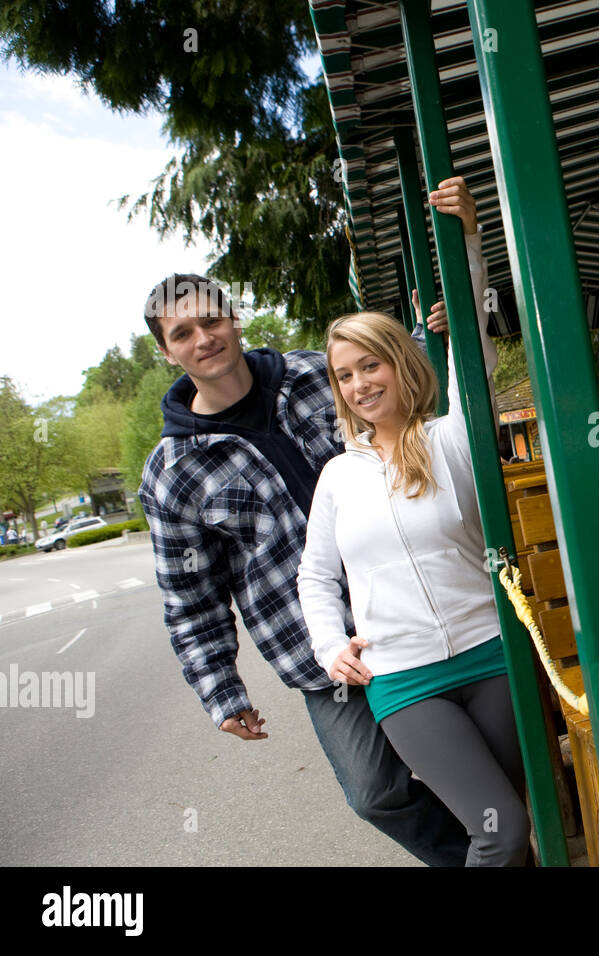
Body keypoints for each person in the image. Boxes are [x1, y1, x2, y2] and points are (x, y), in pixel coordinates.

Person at [137, 177, 482, 867]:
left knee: (485, 752)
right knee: (374, 792)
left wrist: (434, 335)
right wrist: (220, 689)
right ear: (167, 351)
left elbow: (394, 391)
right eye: (183, 333)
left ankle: (499, 844)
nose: (203, 338)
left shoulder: (313, 376)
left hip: (417, 605)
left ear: (233, 318)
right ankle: (485, 852)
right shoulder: (173, 470)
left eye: (212, 320)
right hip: (320, 650)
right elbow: (189, 595)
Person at [296, 222, 531, 867]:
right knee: (499, 831)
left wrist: (472, 253)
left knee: (516, 813)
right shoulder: (339, 475)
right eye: (344, 375)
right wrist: (327, 643)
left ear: (399, 362)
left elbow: (475, 368)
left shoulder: (451, 439)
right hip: (404, 679)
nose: (358, 384)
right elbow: (315, 575)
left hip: (491, 653)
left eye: (369, 364)